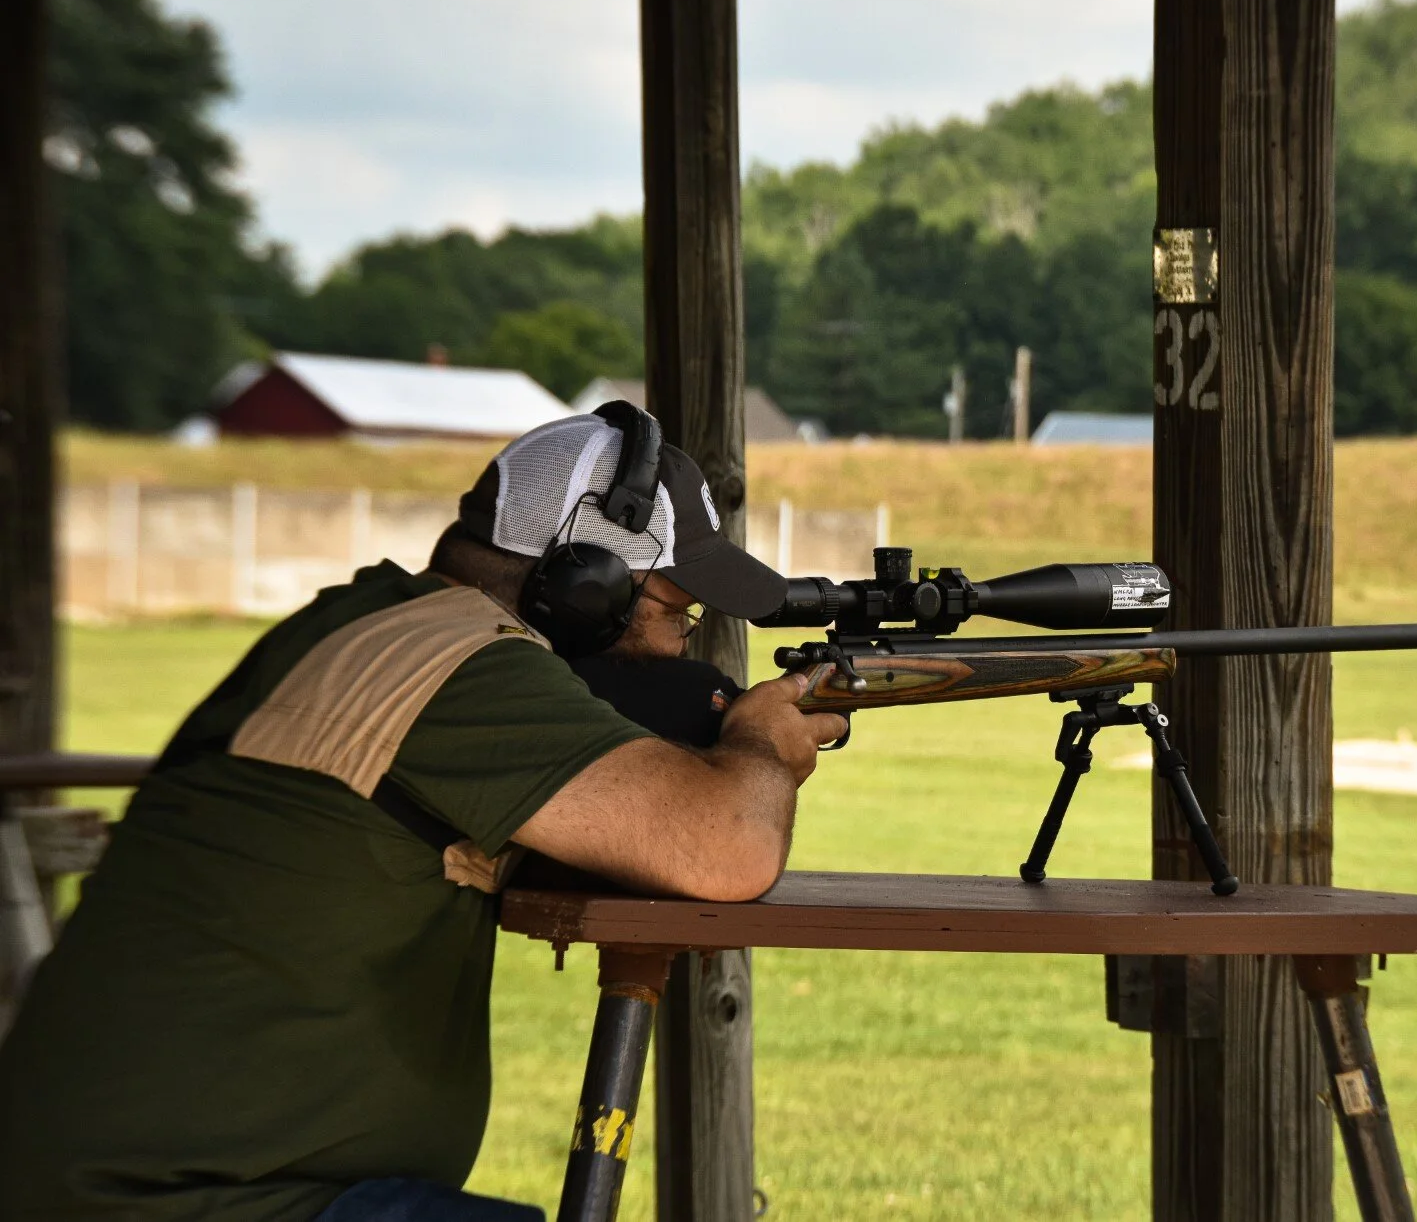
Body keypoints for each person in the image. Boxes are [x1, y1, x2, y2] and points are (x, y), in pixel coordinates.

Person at [0, 404, 844, 1221]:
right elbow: (727, 849)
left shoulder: (375, 626)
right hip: (189, 1200)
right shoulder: (463, 668)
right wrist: (762, 745)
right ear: (584, 585)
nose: (679, 644)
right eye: (671, 610)